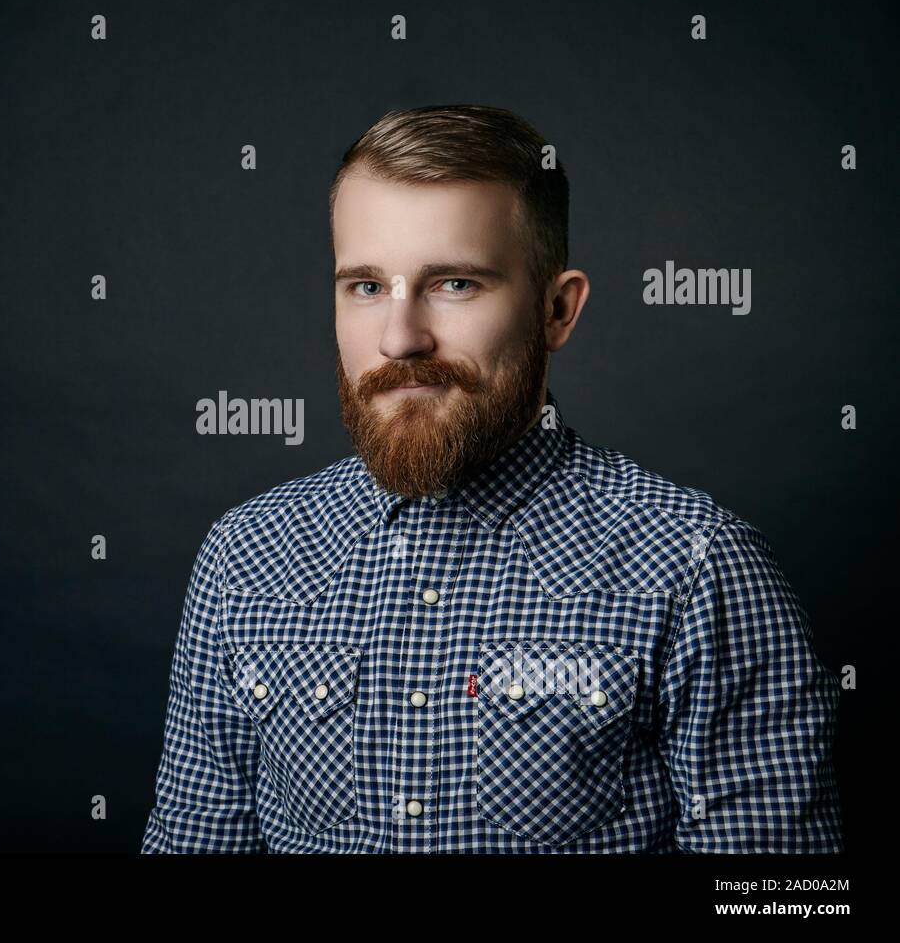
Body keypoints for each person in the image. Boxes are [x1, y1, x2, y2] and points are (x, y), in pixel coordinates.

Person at [140, 105, 844, 853]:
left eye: (455, 283)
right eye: (367, 287)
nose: (399, 339)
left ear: (557, 310)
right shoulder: (245, 556)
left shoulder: (695, 565)